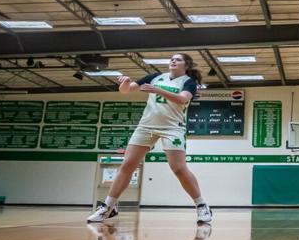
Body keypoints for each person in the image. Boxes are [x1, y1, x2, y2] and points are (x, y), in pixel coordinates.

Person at [90, 53, 213, 225]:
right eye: (172, 58)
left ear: (186, 65)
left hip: (172, 128)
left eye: (178, 59)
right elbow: (126, 90)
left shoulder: (188, 82)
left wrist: (158, 90)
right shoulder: (155, 77)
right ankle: (108, 207)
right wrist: (125, 82)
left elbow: (181, 99)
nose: (173, 61)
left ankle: (202, 205)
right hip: (146, 126)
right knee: (127, 165)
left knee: (178, 168)